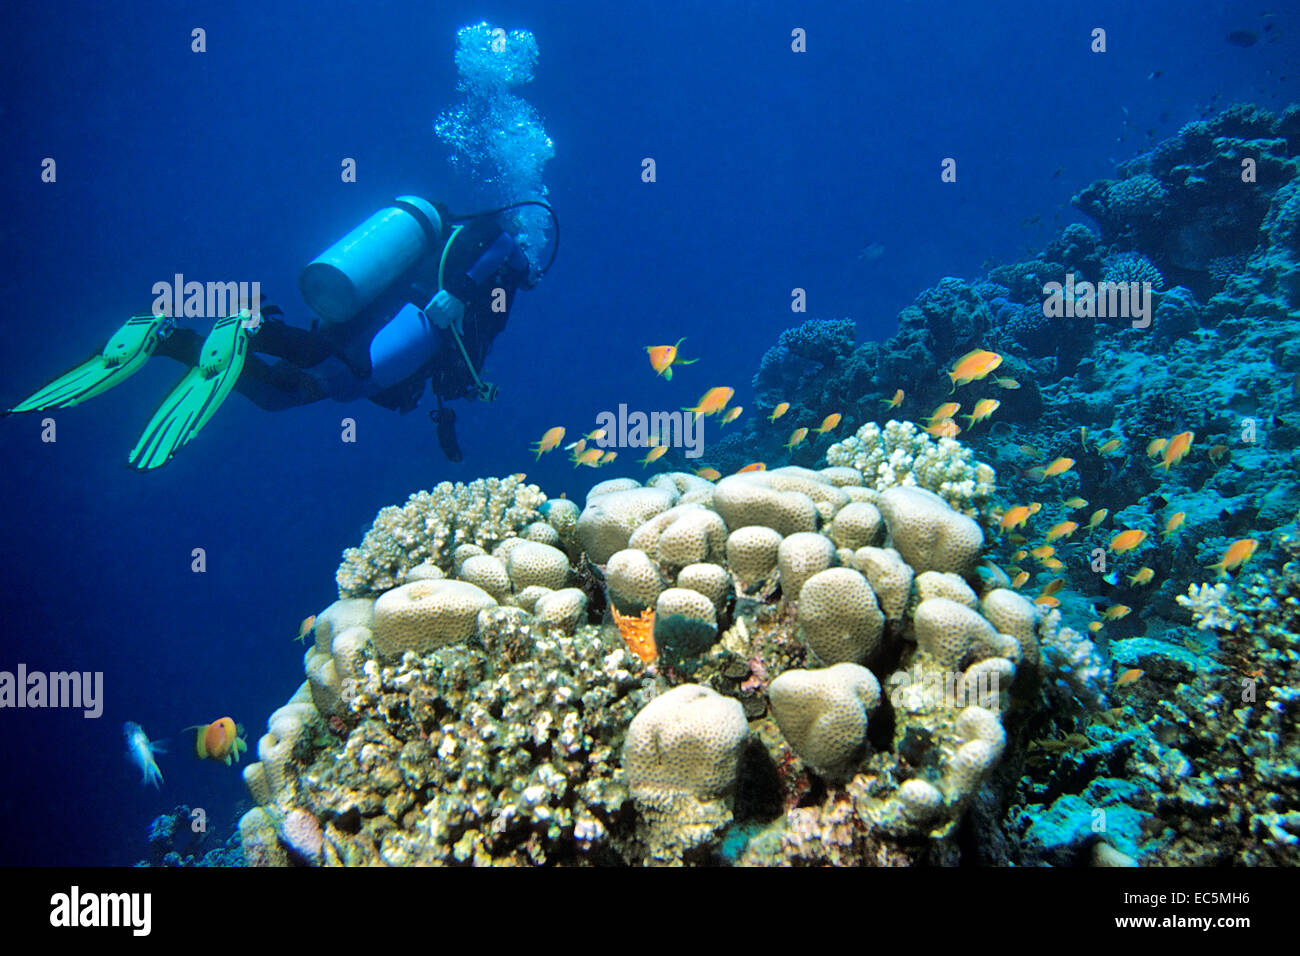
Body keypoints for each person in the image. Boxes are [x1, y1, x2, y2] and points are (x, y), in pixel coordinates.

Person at [3, 196, 556, 468]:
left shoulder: (462, 247)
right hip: (406, 323)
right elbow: (501, 246)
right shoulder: (500, 246)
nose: (532, 274)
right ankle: (258, 330)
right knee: (349, 372)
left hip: (380, 318)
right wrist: (459, 289)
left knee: (280, 395)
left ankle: (171, 340)